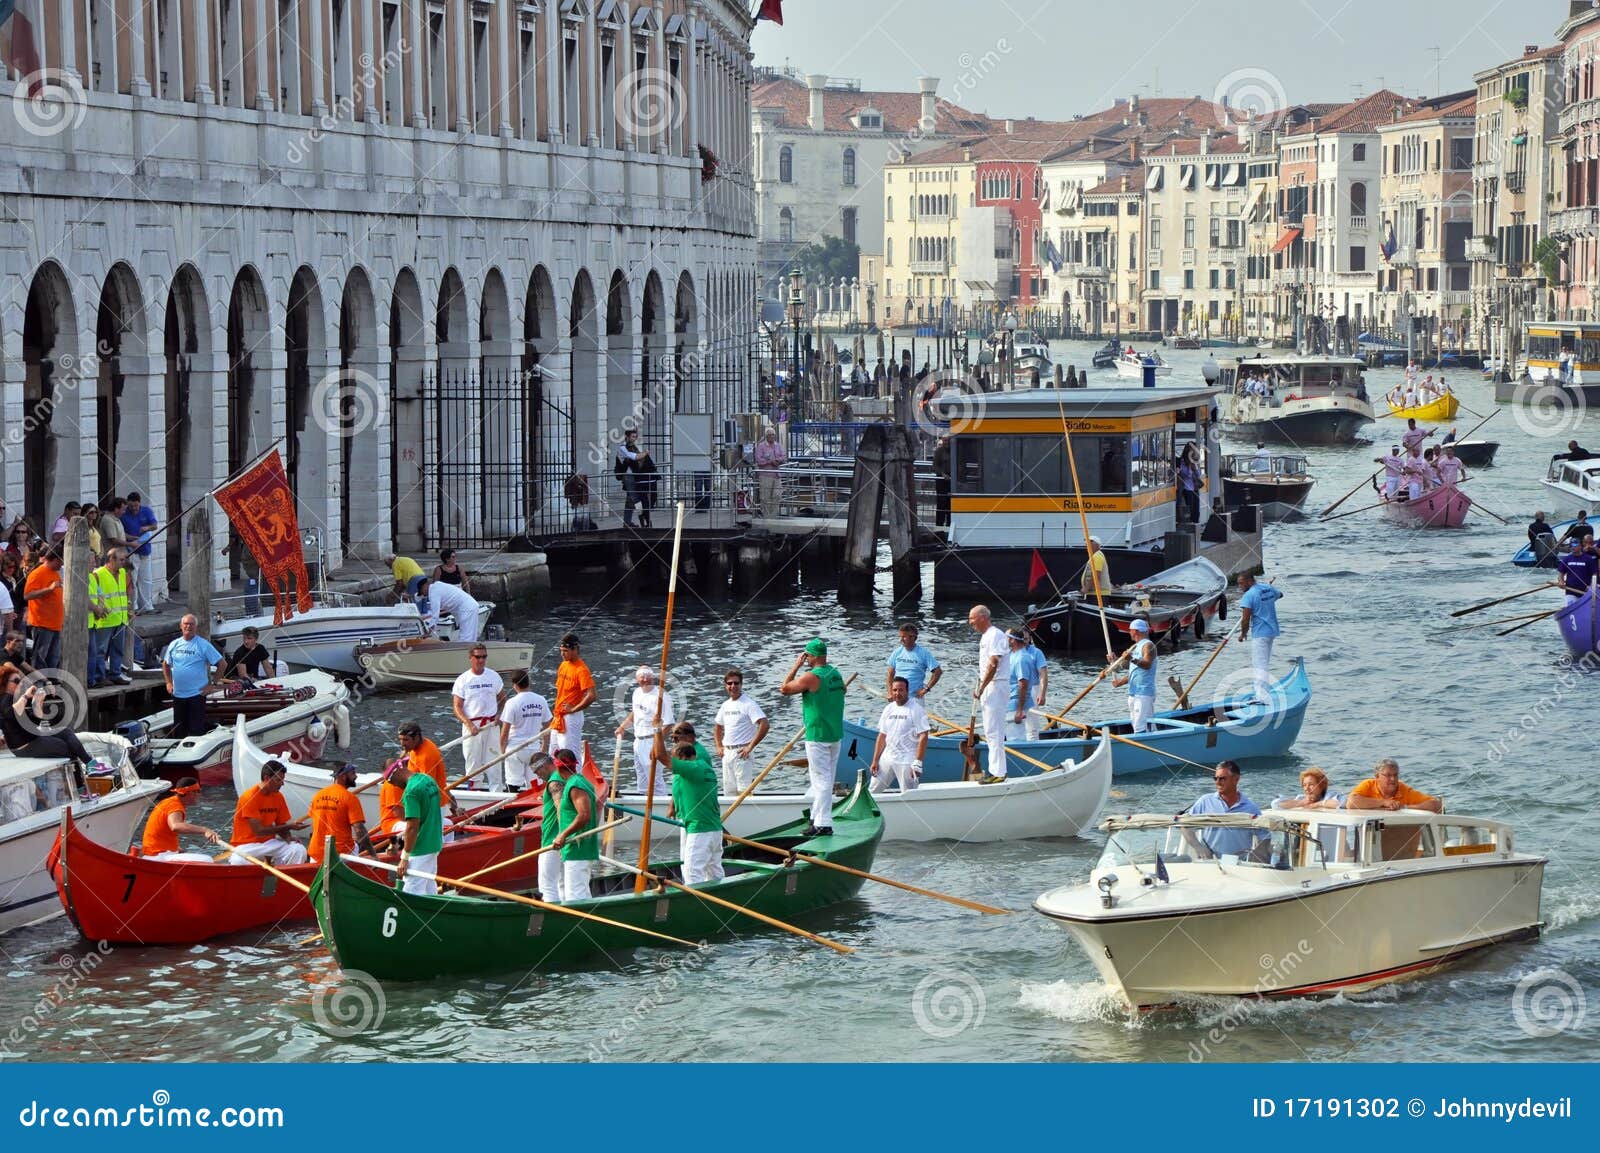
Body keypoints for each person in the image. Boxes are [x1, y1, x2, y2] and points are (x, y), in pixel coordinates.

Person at [779, 638, 847, 833]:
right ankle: (815, 817)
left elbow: (784, 689)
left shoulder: (811, 676)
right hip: (835, 733)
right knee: (824, 778)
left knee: (822, 780)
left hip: (818, 735)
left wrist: (795, 666)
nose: (805, 658)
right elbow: (844, 689)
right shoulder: (835, 673)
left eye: (807, 655)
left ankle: (823, 824)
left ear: (815, 656)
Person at [0, 663, 94, 764]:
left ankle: (90, 763)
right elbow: (10, 713)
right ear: (5, 683)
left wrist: (37, 702)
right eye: (16, 681)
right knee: (69, 748)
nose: (20, 684)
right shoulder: (5, 699)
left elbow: (35, 721)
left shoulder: (16, 699)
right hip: (24, 746)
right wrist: (26, 696)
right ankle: (90, 764)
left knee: (65, 732)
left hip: (33, 738)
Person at [662, 732, 723, 884]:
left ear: (683, 758)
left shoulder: (693, 769)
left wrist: (657, 731)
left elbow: (661, 757)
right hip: (714, 828)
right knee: (714, 870)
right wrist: (673, 806)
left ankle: (695, 903)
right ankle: (720, 897)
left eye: (676, 760)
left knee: (692, 872)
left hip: (700, 828)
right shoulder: (705, 767)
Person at [228, 760, 310, 865]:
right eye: (278, 780)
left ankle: (283, 876)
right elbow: (259, 831)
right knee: (238, 861)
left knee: (298, 849)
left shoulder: (279, 797)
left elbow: (281, 825)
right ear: (267, 778)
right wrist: (290, 827)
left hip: (269, 843)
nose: (282, 783)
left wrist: (288, 837)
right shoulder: (249, 797)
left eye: (282, 780)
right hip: (246, 846)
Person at [1185, 761, 1265, 858]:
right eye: (1215, 778)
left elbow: (1265, 837)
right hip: (1210, 864)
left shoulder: (1251, 808)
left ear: (1236, 779)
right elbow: (1184, 825)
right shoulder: (1205, 801)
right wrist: (1198, 847)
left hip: (1240, 867)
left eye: (1222, 778)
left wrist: (1257, 855)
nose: (1217, 782)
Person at [452, 644, 506, 790]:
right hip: (472, 727)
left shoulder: (493, 676)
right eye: (478, 657)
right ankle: (474, 791)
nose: (481, 660)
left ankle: (497, 793)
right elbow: (457, 706)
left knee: (494, 761)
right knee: (473, 763)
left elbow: (502, 698)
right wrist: (469, 724)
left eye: (484, 657)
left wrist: (499, 715)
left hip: (491, 725)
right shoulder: (463, 680)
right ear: (471, 658)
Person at [967, 605, 1010, 784]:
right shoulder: (986, 636)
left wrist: (983, 687)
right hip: (989, 686)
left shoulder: (995, 635)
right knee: (990, 730)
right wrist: (980, 686)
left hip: (995, 686)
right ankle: (995, 770)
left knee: (995, 731)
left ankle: (998, 772)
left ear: (983, 617)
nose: (970, 623)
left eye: (972, 619)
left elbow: (994, 664)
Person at [162, 614, 225, 738]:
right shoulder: (174, 644)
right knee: (179, 730)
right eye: (186, 624)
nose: (188, 626)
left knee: (196, 730)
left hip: (196, 695)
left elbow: (222, 664)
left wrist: (212, 684)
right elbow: (165, 664)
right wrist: (168, 682)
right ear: (181, 626)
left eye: (191, 624)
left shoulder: (203, 644)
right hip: (178, 694)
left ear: (196, 627)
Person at [388, 759, 444, 896]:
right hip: (435, 844)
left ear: (397, 772)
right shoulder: (428, 779)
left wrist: (404, 857)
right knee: (429, 889)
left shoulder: (411, 792)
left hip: (420, 849)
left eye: (390, 780)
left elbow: (412, 827)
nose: (393, 785)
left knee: (412, 893)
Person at [616, 665, 675, 795]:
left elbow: (669, 723)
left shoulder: (661, 696)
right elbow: (635, 712)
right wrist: (622, 726)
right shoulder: (637, 692)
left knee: (655, 779)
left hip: (652, 740)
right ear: (637, 679)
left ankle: (661, 806)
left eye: (648, 677)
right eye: (642, 677)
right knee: (641, 778)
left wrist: (656, 743)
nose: (645, 680)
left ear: (653, 678)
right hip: (638, 741)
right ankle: (643, 805)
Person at [550, 745, 599, 900]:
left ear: (558, 769)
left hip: (578, 848)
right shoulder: (581, 781)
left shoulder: (575, 785)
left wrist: (563, 834)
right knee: (578, 893)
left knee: (576, 896)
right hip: (574, 848)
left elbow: (584, 816)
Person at [868, 675, 930, 795]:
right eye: (895, 690)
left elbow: (924, 736)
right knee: (872, 792)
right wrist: (875, 760)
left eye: (901, 690)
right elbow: (882, 736)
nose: (897, 693)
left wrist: (918, 763)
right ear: (891, 691)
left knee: (910, 794)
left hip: (907, 759)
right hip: (887, 757)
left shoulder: (916, 709)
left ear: (907, 690)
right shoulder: (888, 709)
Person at [397, 720, 462, 832]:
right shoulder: (415, 746)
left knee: (429, 838)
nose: (402, 744)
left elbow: (426, 788)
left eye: (406, 740)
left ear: (417, 737)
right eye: (400, 740)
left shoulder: (427, 756)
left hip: (431, 804)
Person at [712, 668, 768, 795]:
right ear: (725, 686)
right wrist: (719, 746)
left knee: (744, 791)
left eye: (736, 683)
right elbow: (717, 727)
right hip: (727, 753)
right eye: (730, 683)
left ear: (741, 684)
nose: (733, 686)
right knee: (729, 792)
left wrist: (750, 746)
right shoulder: (725, 705)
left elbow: (764, 724)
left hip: (742, 753)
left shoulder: (749, 704)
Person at [307, 762, 375, 861]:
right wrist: (373, 854)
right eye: (352, 773)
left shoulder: (317, 795)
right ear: (343, 776)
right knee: (355, 845)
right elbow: (359, 829)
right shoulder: (350, 798)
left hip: (316, 853)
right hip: (340, 854)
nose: (356, 776)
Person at [85, 546, 132, 689]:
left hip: (121, 617)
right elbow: (98, 594)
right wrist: (99, 609)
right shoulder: (98, 574)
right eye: (121, 560)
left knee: (118, 649)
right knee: (100, 650)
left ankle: (115, 674)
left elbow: (124, 592)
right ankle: (99, 677)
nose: (123, 563)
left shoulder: (123, 572)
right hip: (105, 619)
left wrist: (129, 607)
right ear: (111, 559)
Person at [140, 778, 220, 861]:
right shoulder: (175, 806)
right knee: (208, 860)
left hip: (153, 853)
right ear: (189, 793)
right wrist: (205, 830)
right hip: (160, 855)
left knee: (185, 853)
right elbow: (175, 826)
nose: (199, 795)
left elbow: (161, 831)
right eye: (198, 791)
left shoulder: (168, 802)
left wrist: (176, 848)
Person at [499, 670, 552, 791]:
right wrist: (544, 747)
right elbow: (548, 726)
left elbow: (505, 730)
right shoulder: (541, 700)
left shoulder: (512, 703)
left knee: (513, 783)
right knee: (535, 784)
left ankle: (512, 805)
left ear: (515, 685)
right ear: (529, 682)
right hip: (534, 748)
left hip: (515, 749)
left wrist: (502, 752)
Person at [1236, 572, 1282, 703]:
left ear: (1250, 581)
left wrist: (1243, 634)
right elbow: (1280, 595)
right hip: (1272, 631)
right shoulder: (1267, 588)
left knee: (1259, 665)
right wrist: (1266, 598)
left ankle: (1262, 697)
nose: (1240, 586)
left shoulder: (1248, 595)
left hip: (1260, 633)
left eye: (1241, 583)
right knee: (1264, 663)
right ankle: (1263, 693)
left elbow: (1245, 619)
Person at [551, 632, 597, 758]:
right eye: (561, 650)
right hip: (558, 716)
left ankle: (575, 776)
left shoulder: (581, 670)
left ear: (575, 649)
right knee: (553, 754)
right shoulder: (563, 665)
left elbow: (592, 695)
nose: (562, 654)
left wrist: (574, 709)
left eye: (565, 651)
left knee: (570, 756)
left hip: (571, 717)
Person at [1111, 619, 1158, 733]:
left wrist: (1131, 658)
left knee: (1140, 727)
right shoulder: (1134, 647)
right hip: (1133, 693)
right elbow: (1129, 668)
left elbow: (1147, 665)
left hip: (1144, 693)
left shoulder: (1148, 646)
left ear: (1136, 631)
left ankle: (1147, 744)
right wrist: (1114, 660)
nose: (1129, 633)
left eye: (1130, 630)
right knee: (1138, 724)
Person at [535, 749, 570, 902]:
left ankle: (550, 917)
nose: (537, 774)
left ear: (544, 766)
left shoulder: (554, 782)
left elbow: (561, 809)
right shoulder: (559, 778)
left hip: (553, 840)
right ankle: (564, 914)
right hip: (561, 839)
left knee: (546, 884)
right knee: (562, 883)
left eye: (537, 770)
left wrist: (561, 835)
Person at [1346, 758, 1442, 813]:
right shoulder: (1368, 785)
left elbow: (1436, 805)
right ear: (1377, 776)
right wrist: (1384, 802)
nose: (1393, 779)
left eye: (1395, 775)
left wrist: (1404, 807)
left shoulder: (1403, 789)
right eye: (1388, 775)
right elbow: (1351, 802)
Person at [22, 549, 64, 670]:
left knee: (54, 656)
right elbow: (27, 595)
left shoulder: (54, 572)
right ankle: (39, 681)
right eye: (61, 562)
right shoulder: (37, 573)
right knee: (40, 656)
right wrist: (49, 589)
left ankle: (51, 680)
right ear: (55, 560)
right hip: (42, 623)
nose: (62, 565)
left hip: (55, 623)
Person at [120, 491, 159, 614]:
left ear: (139, 503)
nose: (134, 508)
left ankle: (147, 605)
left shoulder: (146, 511)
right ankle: (135, 606)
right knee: (133, 578)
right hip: (132, 549)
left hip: (145, 549)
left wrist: (146, 528)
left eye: (136, 506)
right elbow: (121, 532)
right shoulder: (124, 514)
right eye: (131, 506)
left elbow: (154, 525)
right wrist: (131, 538)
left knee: (146, 578)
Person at [415, 576, 482, 643]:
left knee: (466, 638)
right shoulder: (437, 585)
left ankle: (463, 652)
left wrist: (428, 633)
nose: (424, 595)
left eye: (422, 592)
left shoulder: (433, 592)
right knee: (471, 637)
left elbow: (435, 616)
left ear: (424, 586)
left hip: (467, 608)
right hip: (470, 606)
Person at [885, 621, 941, 700]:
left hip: (915, 698)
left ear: (912, 637)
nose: (901, 640)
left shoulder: (923, 653)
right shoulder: (897, 652)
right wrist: (890, 692)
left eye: (904, 637)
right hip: (898, 697)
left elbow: (938, 672)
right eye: (900, 637)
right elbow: (890, 674)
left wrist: (926, 689)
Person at [1273, 767, 1344, 810]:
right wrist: (1302, 802)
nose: (1306, 788)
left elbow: (1341, 803)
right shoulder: (1301, 798)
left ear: (1321, 786)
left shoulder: (1329, 796)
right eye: (1304, 785)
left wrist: (1316, 804)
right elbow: (1275, 804)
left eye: (1311, 785)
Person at [754, 427, 786, 517]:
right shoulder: (761, 446)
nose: (772, 436)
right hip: (766, 475)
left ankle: (774, 515)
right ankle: (766, 516)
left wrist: (778, 460)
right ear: (766, 436)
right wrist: (770, 461)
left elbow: (783, 456)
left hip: (777, 475)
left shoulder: (778, 445)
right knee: (765, 496)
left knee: (777, 495)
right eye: (770, 435)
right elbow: (759, 460)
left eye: (773, 435)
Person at [1557, 536, 1598, 602]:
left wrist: (1591, 586)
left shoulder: (1589, 559)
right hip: (1570, 591)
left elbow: (1594, 574)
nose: (1573, 547)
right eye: (1571, 545)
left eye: (1575, 544)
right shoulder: (1566, 559)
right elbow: (1561, 572)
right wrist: (1561, 581)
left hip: (1586, 592)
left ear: (1580, 546)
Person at [615, 428, 642, 527]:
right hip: (628, 476)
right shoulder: (623, 448)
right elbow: (633, 457)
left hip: (633, 476)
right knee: (635, 499)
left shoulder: (633, 447)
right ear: (627, 437)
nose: (634, 439)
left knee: (630, 500)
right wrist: (643, 454)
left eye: (635, 437)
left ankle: (627, 522)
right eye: (633, 437)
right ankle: (643, 520)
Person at [633, 449, 660, 529]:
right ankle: (645, 522)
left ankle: (647, 521)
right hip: (639, 485)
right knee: (641, 504)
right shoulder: (634, 463)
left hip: (647, 483)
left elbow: (654, 495)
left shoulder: (648, 464)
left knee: (647, 504)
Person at [1177, 445, 1202, 524]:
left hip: (1195, 488)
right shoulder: (1181, 463)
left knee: (1196, 510)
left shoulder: (1194, 463)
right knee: (1190, 509)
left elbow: (1198, 475)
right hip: (1186, 489)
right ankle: (1191, 524)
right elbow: (1187, 475)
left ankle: (1196, 524)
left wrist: (1195, 466)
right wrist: (1190, 467)